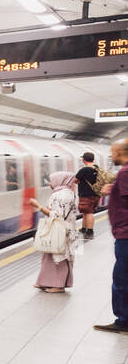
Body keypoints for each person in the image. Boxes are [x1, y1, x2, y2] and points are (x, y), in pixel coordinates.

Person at [94, 137, 128, 335]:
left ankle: (123, 321)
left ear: (120, 152)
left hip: (125, 235)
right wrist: (113, 189)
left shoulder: (124, 172)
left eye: (112, 152)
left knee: (122, 278)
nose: (111, 155)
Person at [29, 171, 82, 293]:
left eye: (52, 181)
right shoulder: (70, 193)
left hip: (60, 230)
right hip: (67, 229)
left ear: (60, 181)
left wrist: (38, 206)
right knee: (51, 255)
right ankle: (44, 281)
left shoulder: (60, 195)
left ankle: (58, 286)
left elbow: (57, 215)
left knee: (58, 258)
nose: (50, 184)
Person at [76, 152, 101, 239]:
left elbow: (76, 180)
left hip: (86, 194)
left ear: (83, 159)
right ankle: (83, 228)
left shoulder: (84, 170)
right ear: (93, 159)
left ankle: (90, 231)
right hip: (96, 194)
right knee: (86, 211)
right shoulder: (97, 168)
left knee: (89, 212)